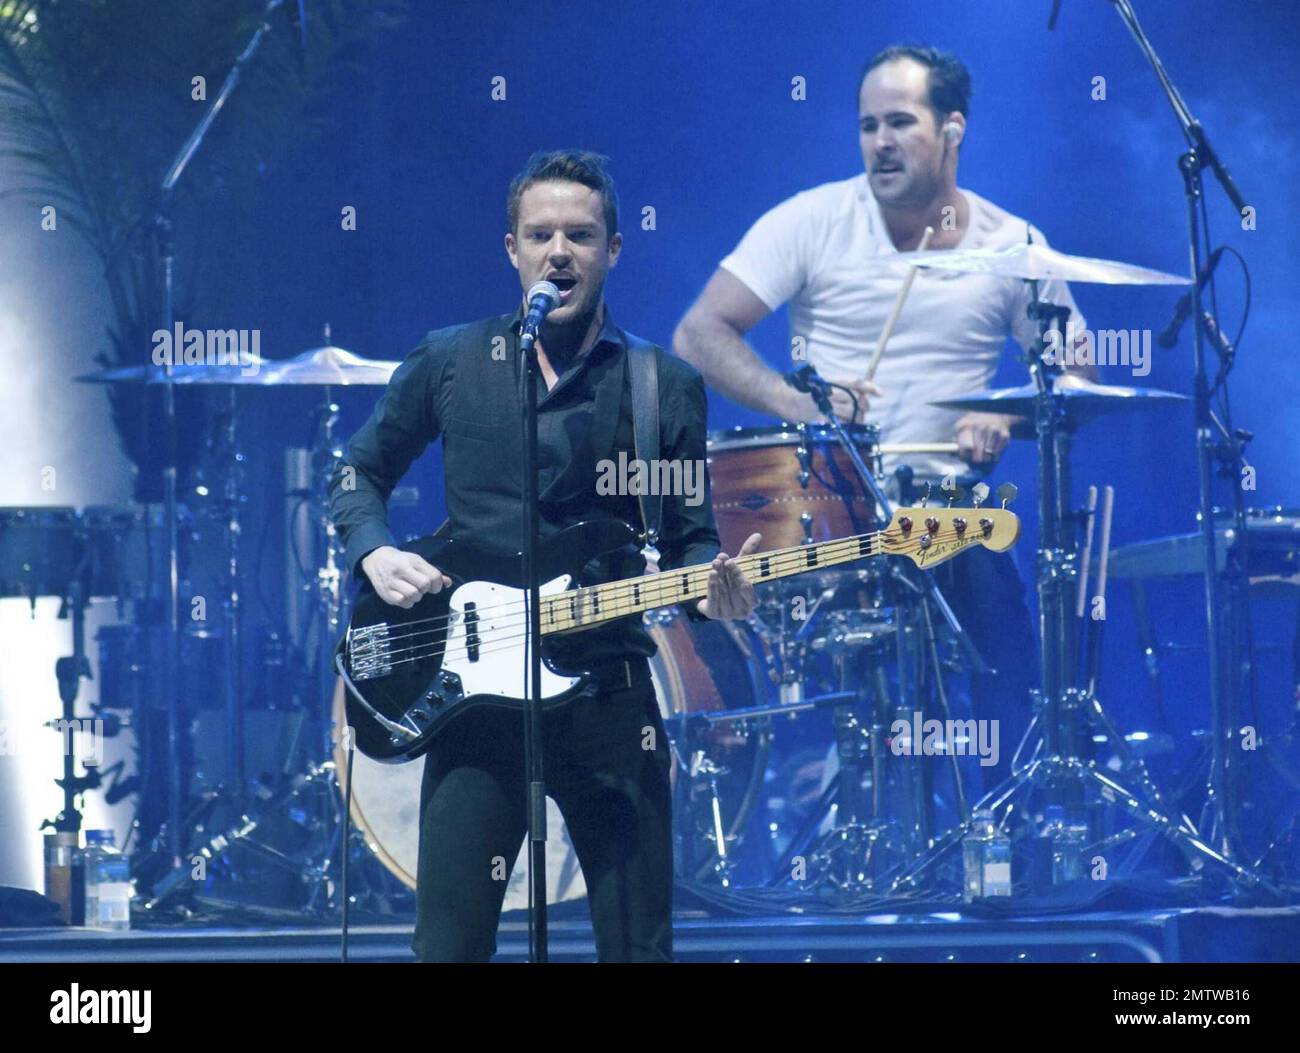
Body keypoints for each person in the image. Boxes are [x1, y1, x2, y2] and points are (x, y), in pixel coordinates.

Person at [329, 150, 759, 962]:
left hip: (607, 692)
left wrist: (715, 593)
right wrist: (374, 552)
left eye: (581, 235)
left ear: (614, 250)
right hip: (476, 700)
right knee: (450, 947)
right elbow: (358, 471)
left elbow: (689, 539)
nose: (559, 251)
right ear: (512, 250)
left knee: (638, 946)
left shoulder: (657, 384)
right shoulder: (451, 361)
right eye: (541, 234)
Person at [673, 45, 1098, 790]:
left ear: (953, 132)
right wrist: (796, 402)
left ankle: (1001, 834)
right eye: (869, 125)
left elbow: (1080, 375)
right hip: (829, 512)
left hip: (948, 514)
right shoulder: (813, 220)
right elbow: (700, 332)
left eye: (901, 122)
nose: (881, 141)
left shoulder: (1012, 245)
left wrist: (1014, 422)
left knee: (1009, 670)